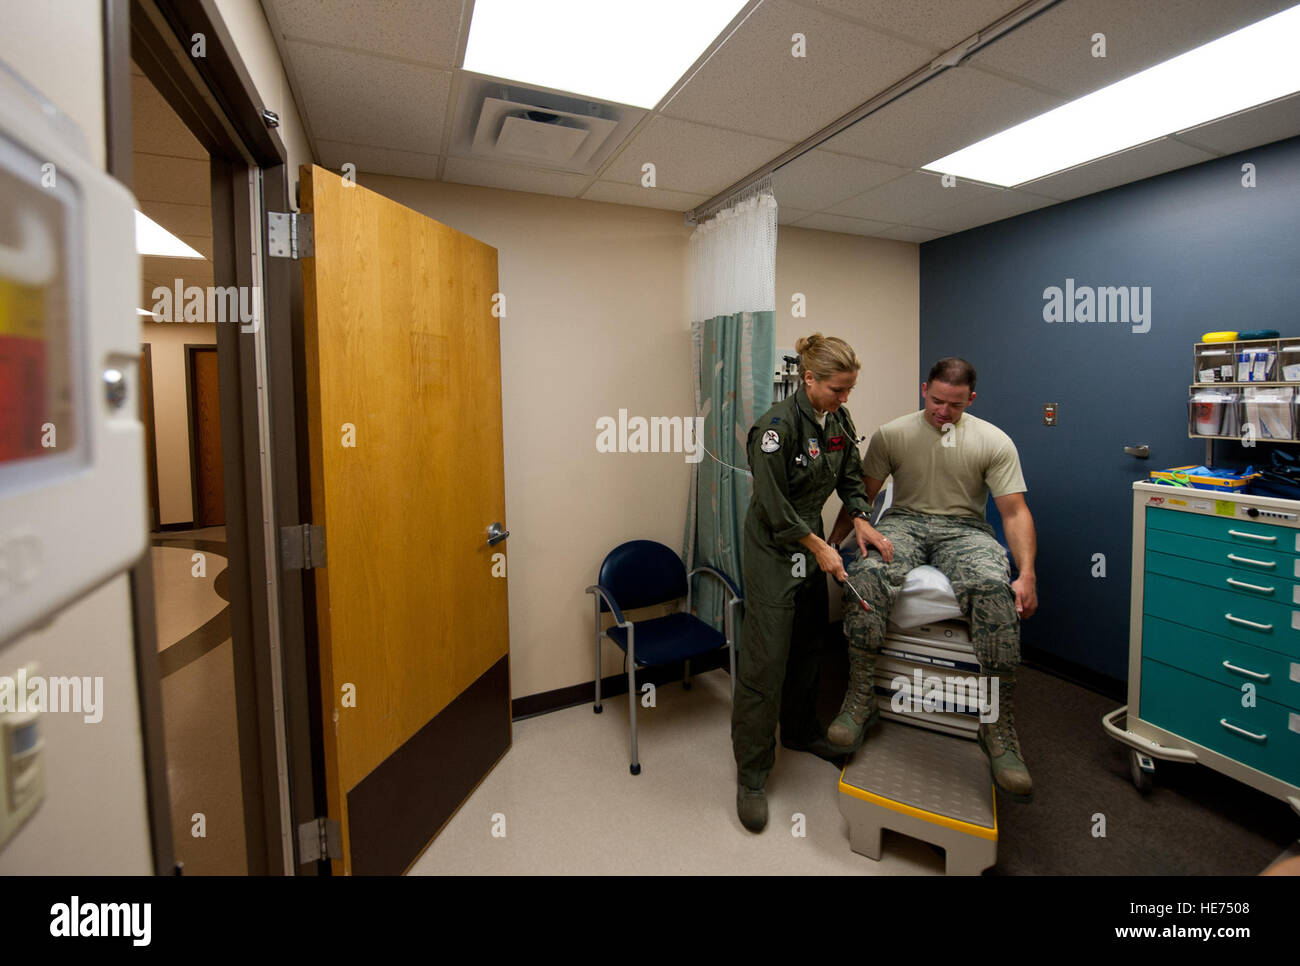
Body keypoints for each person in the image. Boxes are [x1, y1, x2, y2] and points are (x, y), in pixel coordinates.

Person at [827, 357, 1039, 801]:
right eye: (936, 400)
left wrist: (1027, 574)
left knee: (991, 587)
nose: (943, 412)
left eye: (955, 405)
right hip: (904, 521)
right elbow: (861, 497)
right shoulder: (894, 434)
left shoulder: (992, 441)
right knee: (867, 574)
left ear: (972, 399)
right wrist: (832, 545)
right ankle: (862, 698)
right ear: (924, 389)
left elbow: (1015, 512)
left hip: (965, 529)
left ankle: (996, 726)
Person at [732, 333, 891, 833]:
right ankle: (752, 772)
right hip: (775, 549)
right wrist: (819, 546)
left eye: (849, 391)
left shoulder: (837, 420)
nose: (845, 399)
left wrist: (861, 515)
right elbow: (774, 507)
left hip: (809, 547)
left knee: (808, 643)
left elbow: (849, 475)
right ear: (809, 380)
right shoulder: (775, 429)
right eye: (837, 390)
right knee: (766, 657)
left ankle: (800, 732)